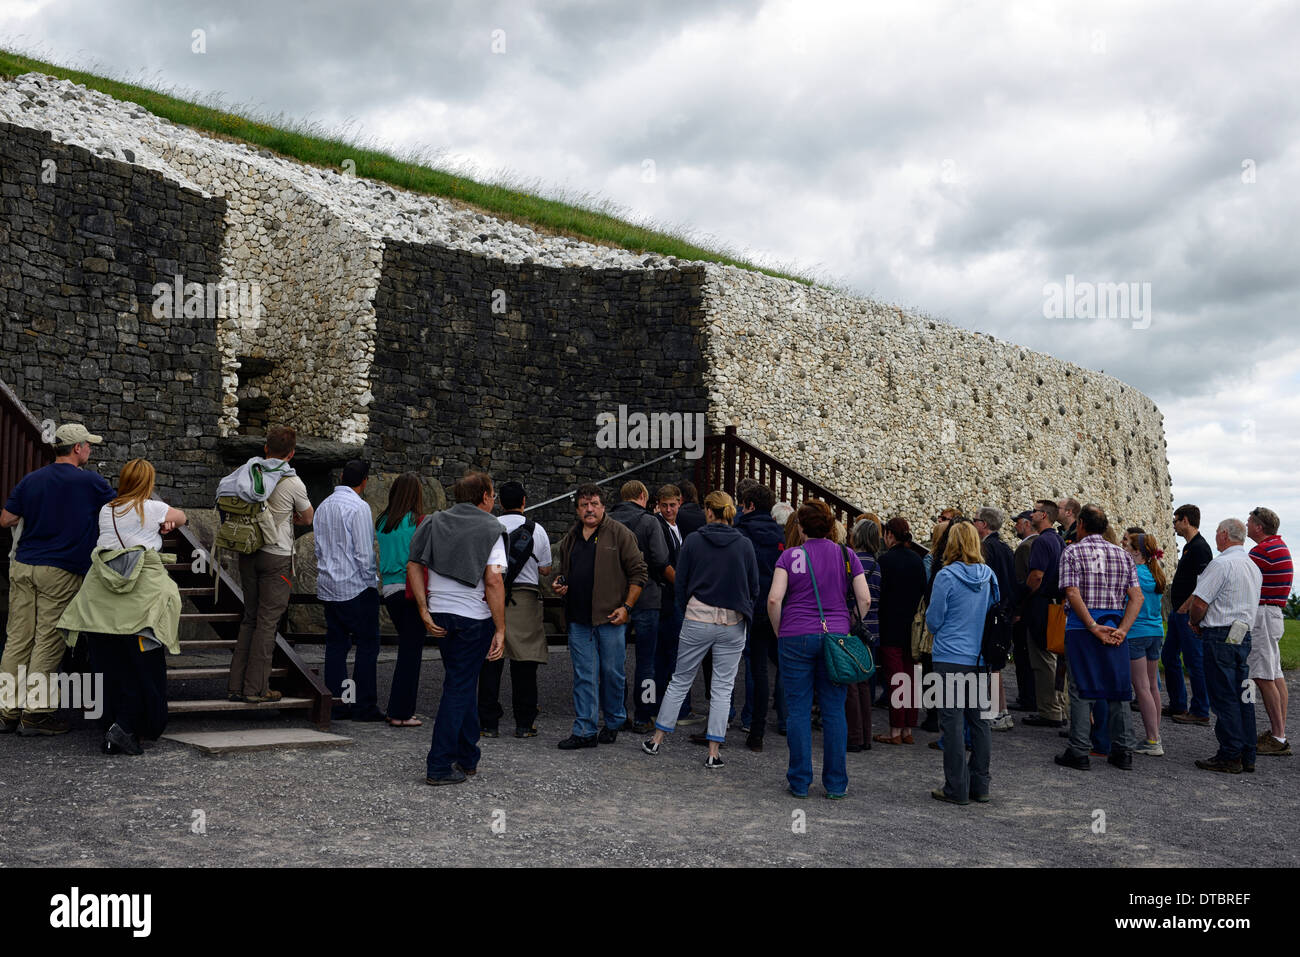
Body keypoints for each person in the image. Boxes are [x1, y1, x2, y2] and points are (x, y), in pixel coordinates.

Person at [56, 458, 184, 755]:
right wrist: (170, 522)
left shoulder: (106, 510)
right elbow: (182, 517)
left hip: (102, 603)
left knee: (110, 667)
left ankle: (114, 724)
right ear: (149, 484)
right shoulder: (153, 509)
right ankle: (131, 727)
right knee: (143, 668)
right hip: (141, 602)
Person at [0, 423, 114, 735]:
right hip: (60, 570)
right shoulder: (90, 481)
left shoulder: (32, 479)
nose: (90, 449)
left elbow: (6, 518)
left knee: (18, 638)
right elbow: (117, 510)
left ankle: (7, 712)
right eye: (88, 445)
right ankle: (36, 714)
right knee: (49, 639)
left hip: (23, 565)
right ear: (77, 448)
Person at [642, 491, 758, 768]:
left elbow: (680, 582)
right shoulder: (744, 544)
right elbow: (754, 587)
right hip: (732, 620)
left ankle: (656, 739)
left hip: (697, 616)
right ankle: (713, 751)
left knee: (680, 680)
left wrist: (688, 606)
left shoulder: (694, 541)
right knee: (722, 686)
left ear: (708, 511)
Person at [767, 499, 871, 799]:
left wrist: (780, 630)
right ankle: (836, 783)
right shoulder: (846, 554)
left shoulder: (789, 556)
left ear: (800, 527)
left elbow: (774, 599)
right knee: (834, 710)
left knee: (797, 710)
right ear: (830, 526)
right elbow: (864, 600)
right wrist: (848, 625)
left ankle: (800, 781)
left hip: (795, 634)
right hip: (835, 636)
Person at [408, 470, 507, 784]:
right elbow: (493, 580)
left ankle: (468, 756)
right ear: (486, 497)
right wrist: (501, 628)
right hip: (473, 616)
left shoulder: (434, 521)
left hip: (439, 613)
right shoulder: (492, 527)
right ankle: (439, 764)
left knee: (460, 683)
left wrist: (423, 608)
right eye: (492, 494)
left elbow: (412, 563)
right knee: (459, 688)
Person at [552, 484, 647, 749]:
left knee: (612, 673)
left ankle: (615, 720)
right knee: (584, 674)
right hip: (578, 619)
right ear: (578, 509)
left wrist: (627, 607)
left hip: (611, 619)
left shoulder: (620, 534)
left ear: (603, 506)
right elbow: (566, 574)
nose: (589, 509)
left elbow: (639, 573)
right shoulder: (571, 537)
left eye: (594, 503)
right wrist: (561, 584)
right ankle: (585, 730)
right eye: (584, 505)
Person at [226, 426, 313, 705]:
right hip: (276, 555)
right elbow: (308, 517)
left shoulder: (249, 472)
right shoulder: (292, 481)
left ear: (265, 449)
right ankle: (256, 689)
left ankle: (235, 685)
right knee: (267, 622)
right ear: (291, 454)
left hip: (248, 550)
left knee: (249, 618)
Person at [1054, 505, 1142, 772]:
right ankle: (1123, 750)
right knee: (1119, 690)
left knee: (1082, 688)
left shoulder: (1072, 551)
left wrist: (1091, 625)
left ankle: (1079, 750)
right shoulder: (1122, 555)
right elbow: (1137, 597)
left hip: (1083, 628)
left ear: (1080, 524)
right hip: (1115, 624)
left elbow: (1071, 592)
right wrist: (1124, 629)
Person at [925, 522, 999, 804]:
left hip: (949, 656)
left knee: (952, 723)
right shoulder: (989, 576)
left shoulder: (946, 576)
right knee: (980, 722)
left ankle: (956, 786)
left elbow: (934, 620)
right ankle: (980, 784)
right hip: (979, 657)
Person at [477, 481, 552, 738]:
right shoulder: (538, 530)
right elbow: (545, 568)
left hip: (490, 596)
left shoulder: (489, 527)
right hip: (524, 599)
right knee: (525, 663)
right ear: (524, 501)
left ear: (499, 503)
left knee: (491, 661)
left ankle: (488, 722)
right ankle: (524, 722)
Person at [1188, 519, 1263, 773]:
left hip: (1220, 633)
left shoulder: (1220, 564)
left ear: (1223, 535)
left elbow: (1199, 602)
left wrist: (1194, 622)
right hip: (1243, 634)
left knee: (1223, 694)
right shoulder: (1253, 566)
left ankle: (1230, 753)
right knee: (1244, 693)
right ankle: (1247, 752)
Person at [314, 459, 384, 722]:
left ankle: (340, 702)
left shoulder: (323, 506)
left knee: (336, 646)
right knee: (367, 646)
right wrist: (371, 582)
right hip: (356, 586)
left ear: (342, 476)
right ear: (364, 481)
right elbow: (364, 553)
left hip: (329, 585)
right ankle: (363, 705)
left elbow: (319, 548)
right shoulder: (359, 507)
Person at [608, 481, 671, 734]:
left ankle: (618, 713)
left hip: (614, 597)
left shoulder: (608, 520)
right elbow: (660, 558)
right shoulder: (650, 522)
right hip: (647, 597)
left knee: (615, 660)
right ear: (643, 496)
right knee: (647, 661)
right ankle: (644, 715)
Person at [735, 483, 786, 751]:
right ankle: (757, 729)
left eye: (743, 504)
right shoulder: (780, 535)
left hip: (742, 606)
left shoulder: (741, 532)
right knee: (762, 669)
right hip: (770, 607)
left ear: (750, 505)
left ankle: (722, 724)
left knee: (729, 668)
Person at [375, 473, 426, 727]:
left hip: (389, 589)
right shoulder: (415, 521)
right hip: (410, 589)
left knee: (407, 648)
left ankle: (398, 708)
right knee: (411, 652)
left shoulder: (383, 521)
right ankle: (401, 711)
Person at [874, 517, 926, 745]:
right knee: (910, 677)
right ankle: (907, 728)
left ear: (890, 535)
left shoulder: (885, 561)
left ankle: (895, 729)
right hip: (912, 627)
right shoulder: (917, 560)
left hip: (890, 625)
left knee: (895, 678)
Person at [1246, 507, 1292, 756]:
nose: (1246, 525)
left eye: (1249, 521)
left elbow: (1244, 579)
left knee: (1263, 676)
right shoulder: (1279, 546)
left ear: (1258, 527)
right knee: (1274, 674)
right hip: (1273, 613)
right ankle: (1279, 731)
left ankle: (1278, 736)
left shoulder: (1261, 551)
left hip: (1262, 614)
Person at [1166, 504, 1213, 725]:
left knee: (1195, 661)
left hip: (1186, 614)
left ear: (1185, 520)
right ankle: (1178, 703)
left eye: (1175, 520)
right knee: (1168, 656)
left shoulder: (1200, 548)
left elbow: (1204, 583)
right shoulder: (1189, 547)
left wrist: (1187, 607)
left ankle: (1201, 710)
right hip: (1178, 614)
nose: (1174, 525)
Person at [1022, 500, 1068, 728]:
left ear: (1044, 515)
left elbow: (1036, 576)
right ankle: (1060, 706)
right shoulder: (1059, 540)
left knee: (1042, 659)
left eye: (1035, 511)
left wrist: (1023, 597)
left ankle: (1050, 711)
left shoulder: (1041, 542)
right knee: (1056, 659)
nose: (1031, 514)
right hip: (1056, 604)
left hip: (1040, 604)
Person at [652, 485, 694, 724]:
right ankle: (675, 708)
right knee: (672, 655)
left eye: (673, 505)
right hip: (668, 598)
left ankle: (672, 707)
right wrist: (683, 587)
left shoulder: (679, 527)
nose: (669, 510)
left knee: (673, 654)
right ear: (658, 504)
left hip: (674, 597)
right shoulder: (659, 526)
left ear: (680, 503)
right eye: (665, 505)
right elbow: (662, 563)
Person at [1124, 532, 1167, 755]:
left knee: (1141, 687)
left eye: (1127, 546)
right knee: (1152, 685)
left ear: (1137, 551)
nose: (1124, 549)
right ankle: (1155, 735)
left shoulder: (1134, 573)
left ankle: (1153, 739)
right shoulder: (1155, 572)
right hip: (1156, 631)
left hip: (1136, 633)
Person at [974, 506, 1016, 731]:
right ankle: (1002, 711)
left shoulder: (986, 549)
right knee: (997, 664)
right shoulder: (1005, 548)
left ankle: (991, 711)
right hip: (1005, 611)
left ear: (984, 525)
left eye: (976, 520)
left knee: (988, 663)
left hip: (991, 613)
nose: (973, 523)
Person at [845, 518, 882, 751]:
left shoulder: (852, 561)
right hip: (873, 628)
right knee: (865, 684)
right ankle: (866, 735)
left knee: (850, 682)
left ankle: (854, 736)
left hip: (854, 625)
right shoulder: (877, 565)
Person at [1009, 510, 1039, 712]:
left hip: (1025, 610)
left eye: (1018, 522)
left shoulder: (1026, 547)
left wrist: (1016, 608)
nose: (1015, 526)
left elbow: (1022, 580)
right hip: (1035, 609)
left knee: (1023, 655)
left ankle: (1027, 697)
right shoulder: (1038, 543)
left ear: (1028, 524)